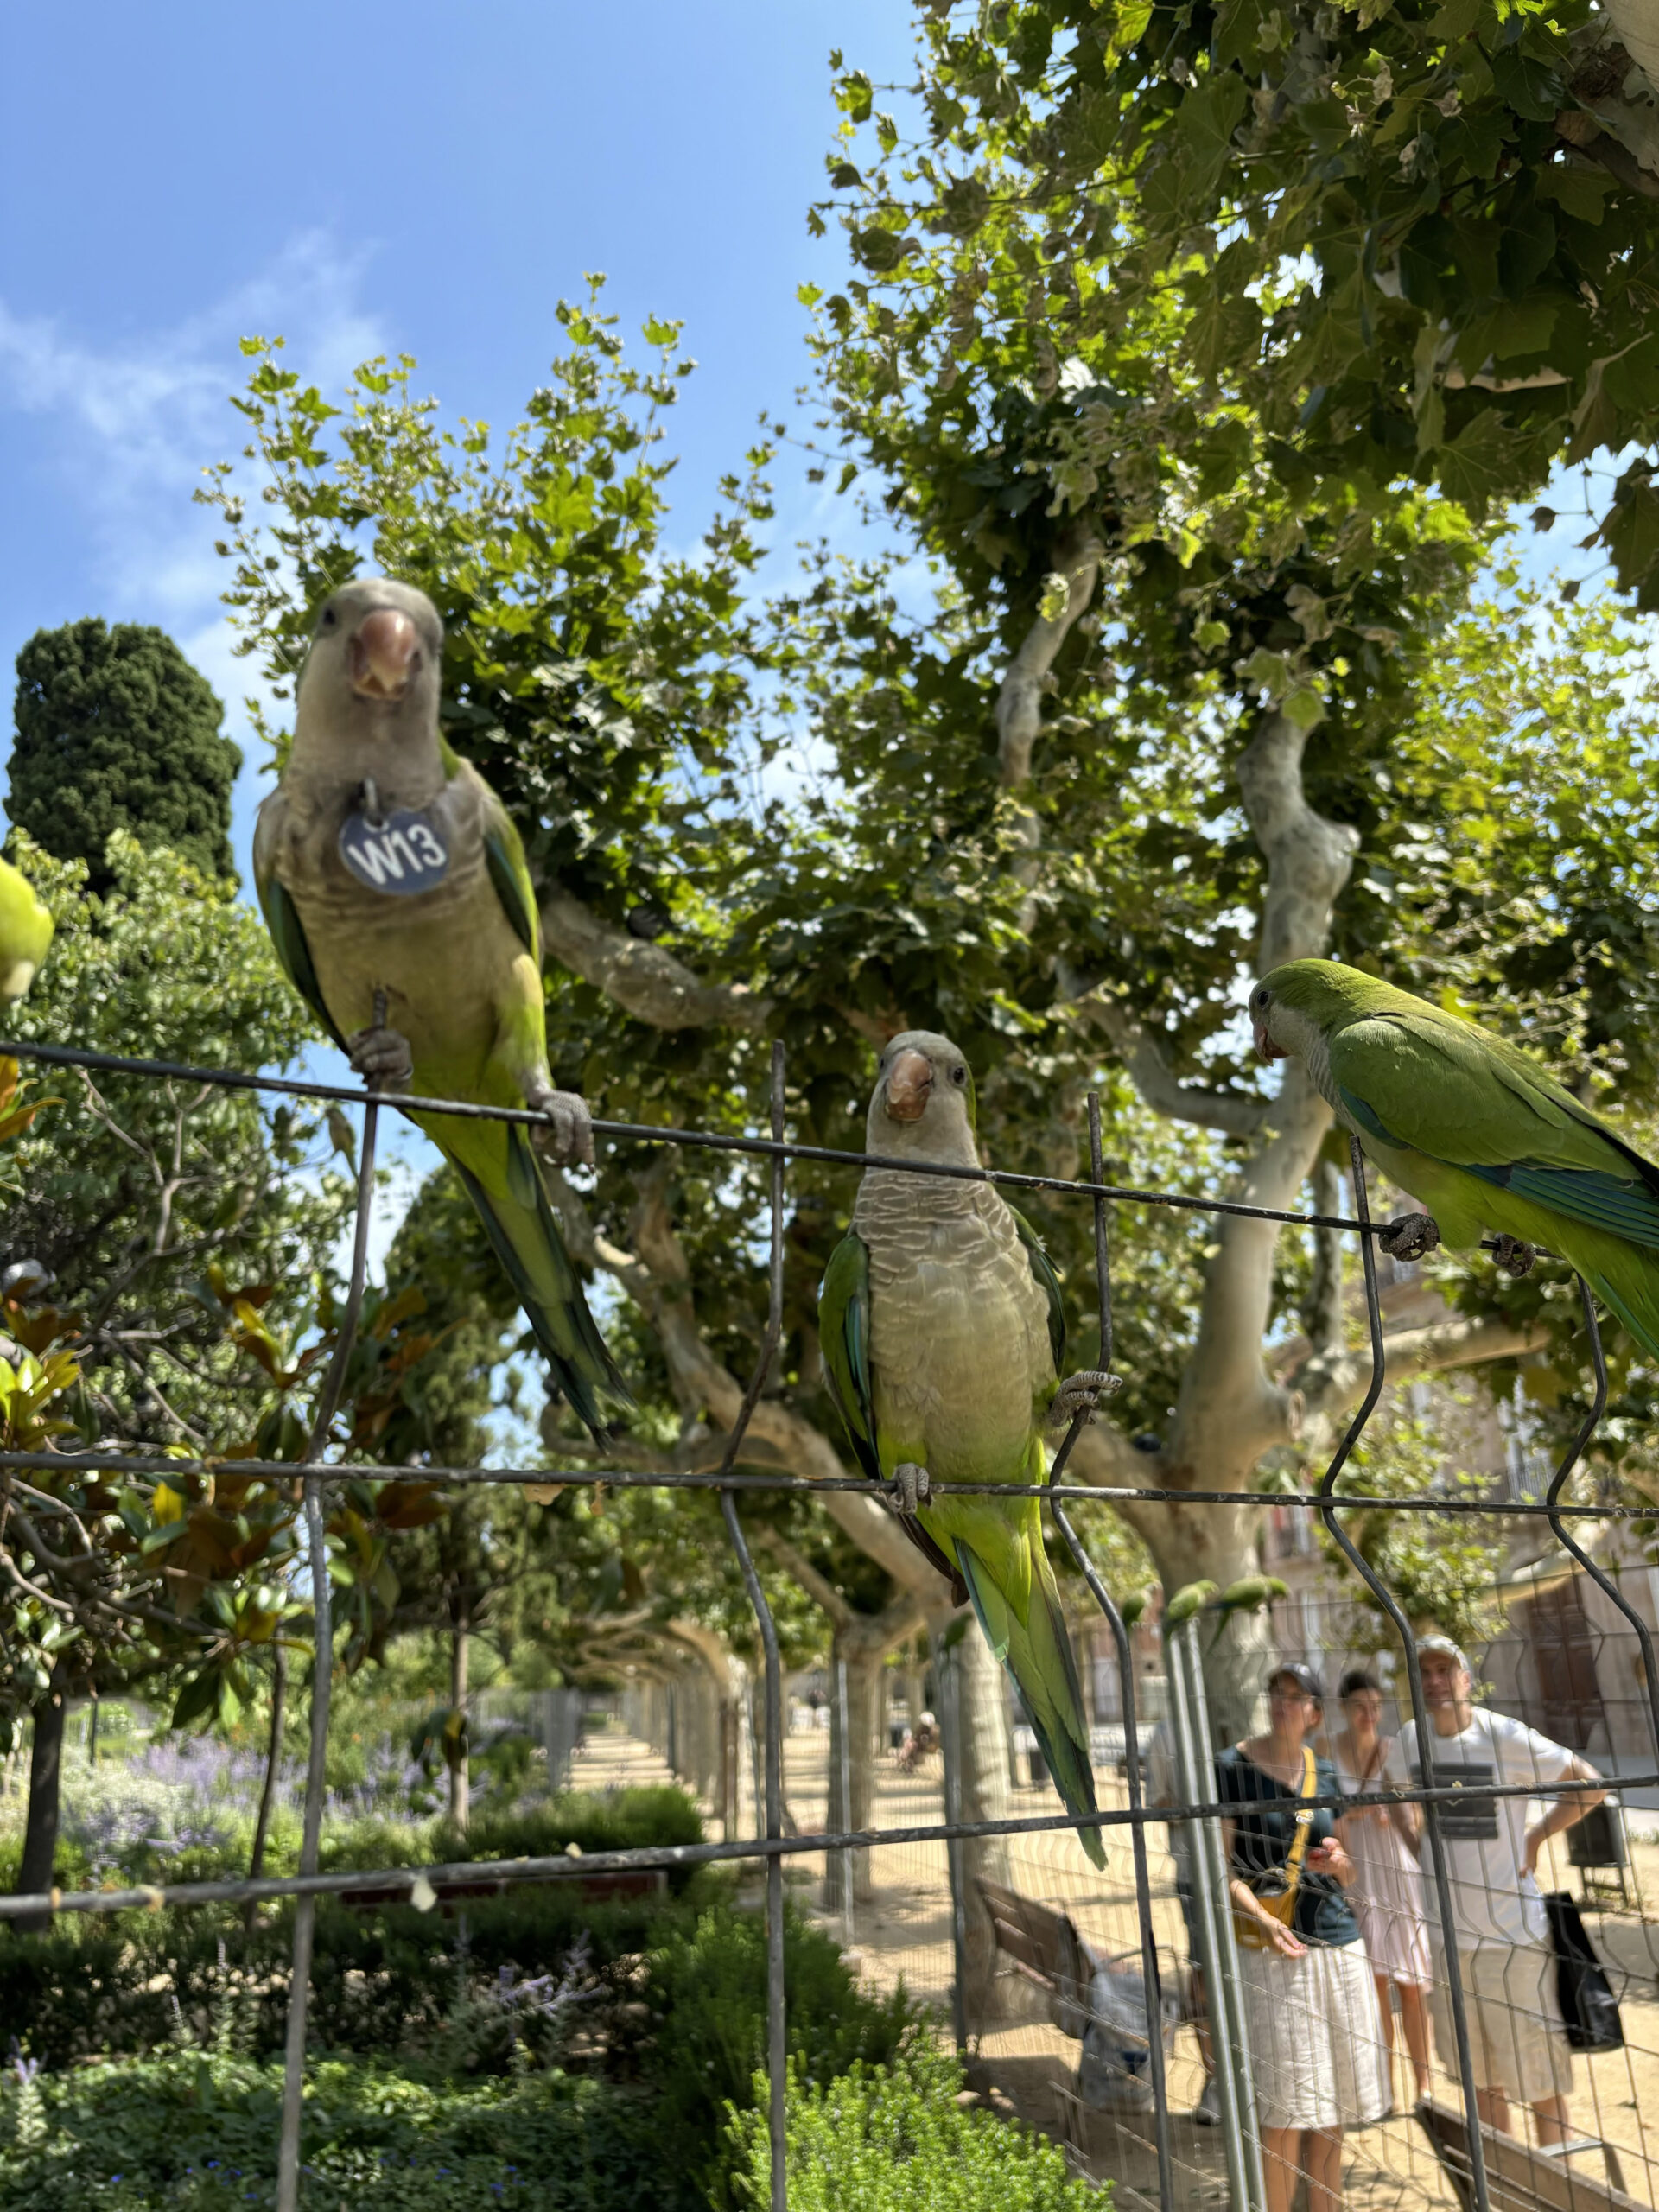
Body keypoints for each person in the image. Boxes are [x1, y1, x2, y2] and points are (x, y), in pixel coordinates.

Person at [1383, 1635, 1606, 2144]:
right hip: (1448, 1942)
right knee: (1480, 2081)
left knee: (1540, 2080)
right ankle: (1506, 2191)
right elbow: (1391, 1788)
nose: (1435, 1682)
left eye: (1445, 1671)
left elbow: (1589, 1784)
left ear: (1466, 1678)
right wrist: (1416, 1844)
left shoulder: (1504, 1735)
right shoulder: (1411, 1740)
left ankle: (1558, 2187)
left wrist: (1536, 1835)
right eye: (1426, 1673)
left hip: (1514, 1941)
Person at [1221, 1663, 1390, 2212]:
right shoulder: (1231, 1769)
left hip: (1338, 1948)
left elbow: (1348, 1871)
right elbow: (1221, 1871)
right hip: (1275, 1955)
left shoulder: (1328, 1774)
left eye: (1295, 1697)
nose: (1282, 1704)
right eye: (1276, 1693)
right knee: (1284, 2109)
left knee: (1334, 2101)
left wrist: (1339, 1862)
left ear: (1315, 1714)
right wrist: (1262, 1919)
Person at [1332, 1669, 1432, 2106]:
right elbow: (1325, 1810)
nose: (1368, 1714)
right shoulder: (1326, 1749)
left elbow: (1411, 1814)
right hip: (1357, 1875)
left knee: (1411, 1985)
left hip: (1396, 1872)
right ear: (1344, 1709)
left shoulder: (1392, 1750)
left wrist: (1398, 1814)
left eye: (1375, 1706)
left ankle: (1424, 2085)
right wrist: (1352, 1813)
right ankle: (1385, 2086)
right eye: (1359, 1706)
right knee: (1373, 1987)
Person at [1145, 1719, 1220, 2124]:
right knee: (1204, 1974)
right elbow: (1158, 1802)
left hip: (1260, 1871)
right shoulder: (1168, 1731)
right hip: (1196, 1872)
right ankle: (1217, 2080)